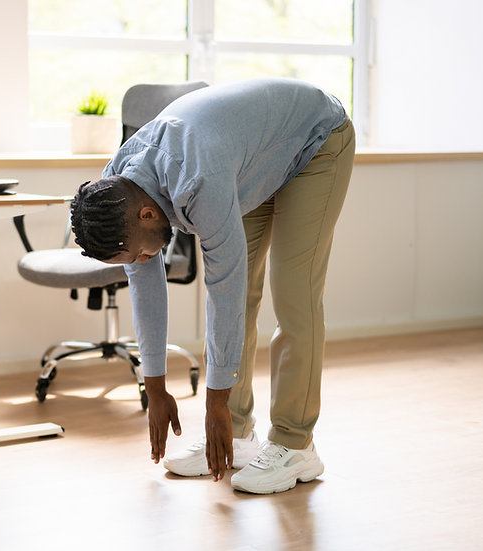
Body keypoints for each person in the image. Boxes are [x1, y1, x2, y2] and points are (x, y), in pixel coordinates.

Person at [70, 77, 355, 494]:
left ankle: (296, 444)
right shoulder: (118, 191)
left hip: (315, 139)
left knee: (294, 294)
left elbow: (224, 288)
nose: (143, 262)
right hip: (253, 156)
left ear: (149, 215)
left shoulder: (198, 181)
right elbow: (148, 287)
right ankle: (236, 434)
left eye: (140, 254)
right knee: (247, 299)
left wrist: (213, 401)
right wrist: (155, 387)